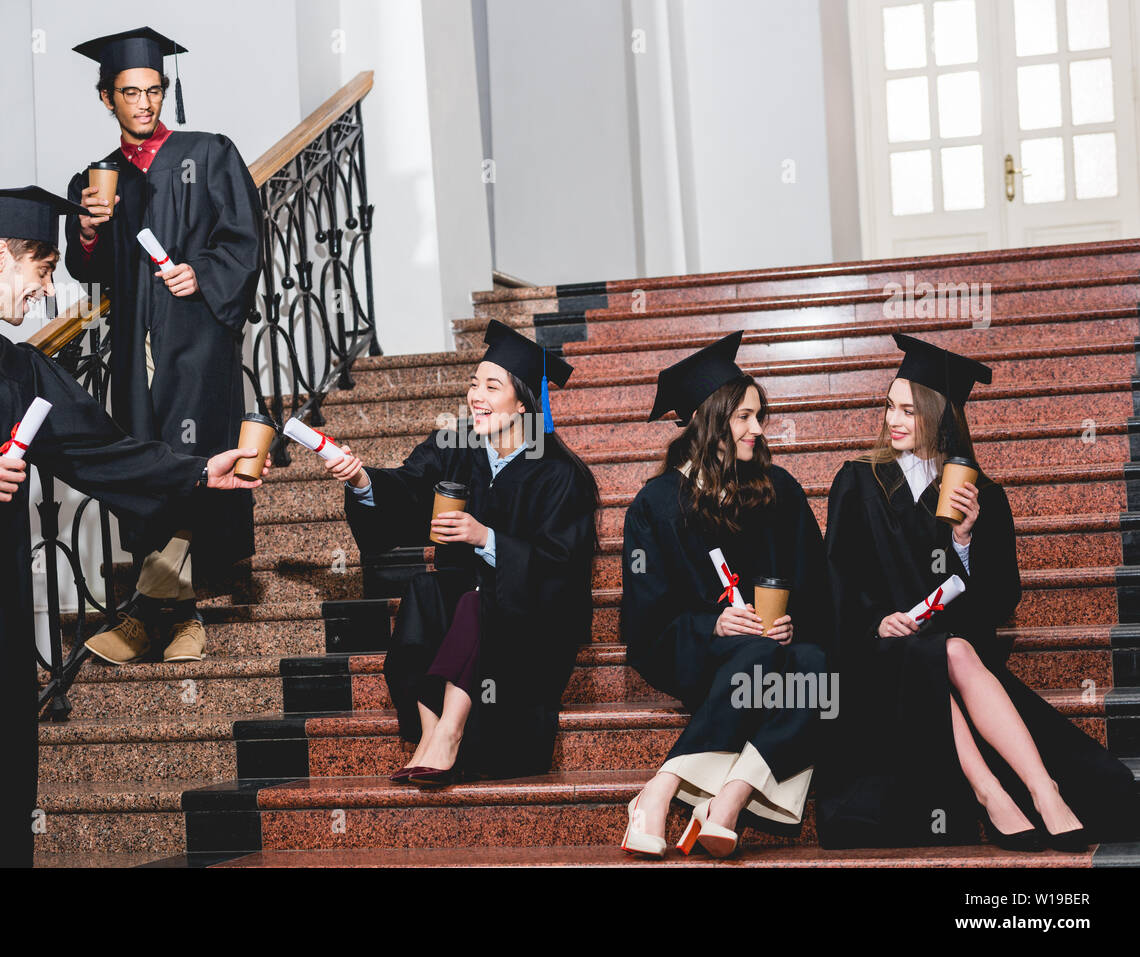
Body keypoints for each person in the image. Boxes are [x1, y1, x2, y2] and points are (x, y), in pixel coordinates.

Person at [0, 185, 271, 867]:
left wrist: (194, 471)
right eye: (44, 272)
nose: (45, 293)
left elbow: (99, 450)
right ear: (2, 257)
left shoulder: (18, 367)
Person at [816, 334, 1140, 851]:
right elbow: (835, 577)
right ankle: (992, 792)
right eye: (890, 407)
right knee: (936, 655)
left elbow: (998, 602)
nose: (894, 420)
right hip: (876, 655)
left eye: (909, 411)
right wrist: (875, 620)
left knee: (953, 652)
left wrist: (964, 541)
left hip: (954, 657)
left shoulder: (980, 496)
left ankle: (1043, 789)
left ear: (940, 418)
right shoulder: (858, 482)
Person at [323, 320, 598, 784]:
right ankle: (430, 732)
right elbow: (408, 487)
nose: (477, 396)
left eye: (492, 386)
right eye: (474, 384)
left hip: (530, 619)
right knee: (425, 591)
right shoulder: (456, 446)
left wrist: (485, 539)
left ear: (524, 402)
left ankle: (451, 733)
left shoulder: (558, 473)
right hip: (465, 604)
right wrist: (360, 480)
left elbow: (562, 568)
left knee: (476, 601)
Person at [65, 27, 262, 664]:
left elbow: (245, 242)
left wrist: (200, 272)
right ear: (106, 98)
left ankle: (149, 616)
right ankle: (176, 619)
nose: (145, 104)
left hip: (198, 340)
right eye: (130, 93)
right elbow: (85, 268)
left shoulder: (210, 154)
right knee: (148, 466)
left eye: (154, 91)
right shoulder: (97, 179)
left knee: (196, 456)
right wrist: (91, 229)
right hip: (133, 348)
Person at [619, 332, 833, 857]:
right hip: (692, 651)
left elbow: (817, 589)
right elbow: (644, 623)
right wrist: (711, 624)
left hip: (768, 653)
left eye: (759, 416)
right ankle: (660, 791)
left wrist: (793, 623)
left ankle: (725, 803)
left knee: (815, 666)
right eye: (744, 417)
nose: (757, 429)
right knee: (762, 650)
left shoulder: (778, 490)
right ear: (709, 419)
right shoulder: (656, 504)